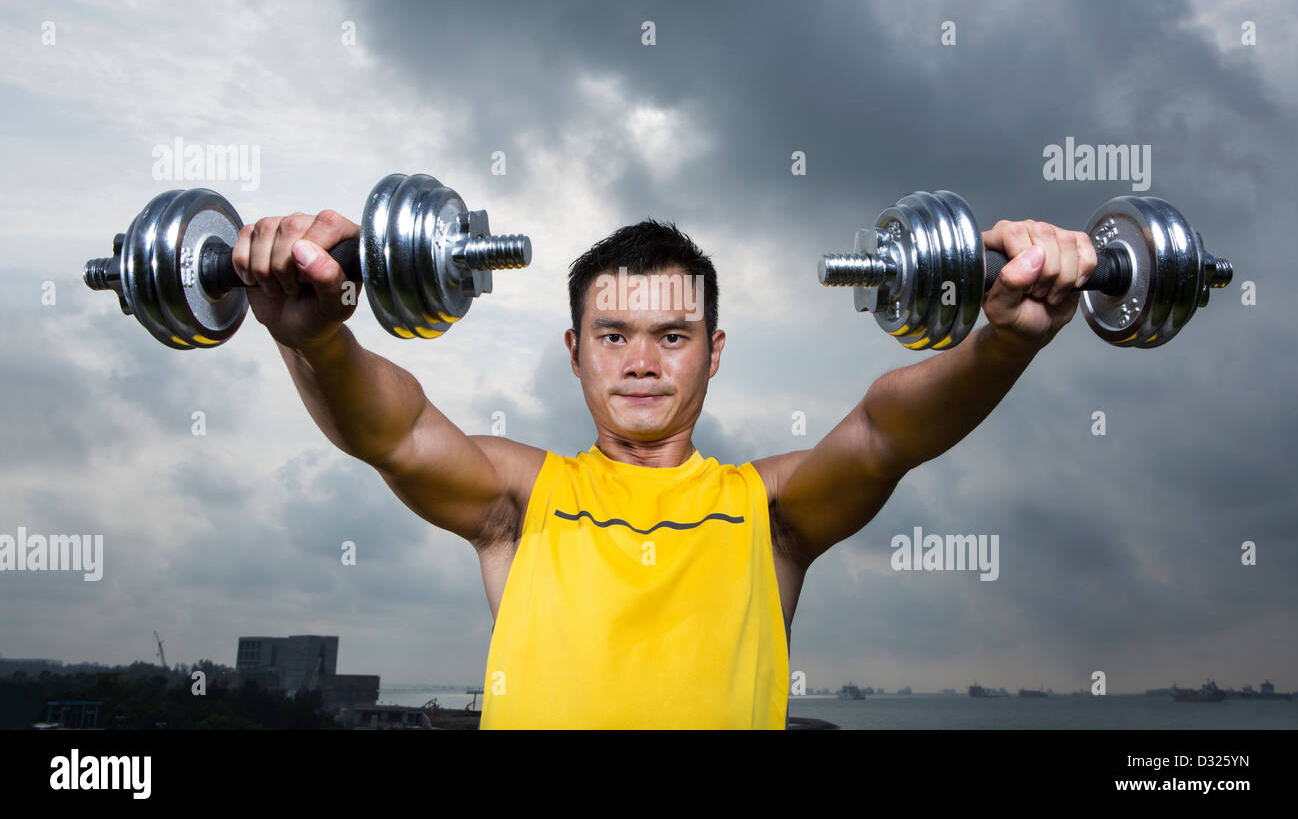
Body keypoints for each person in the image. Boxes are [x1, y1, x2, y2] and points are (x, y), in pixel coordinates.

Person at [231, 208, 1094, 728]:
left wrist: (1002, 345)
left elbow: (883, 434)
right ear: (576, 352)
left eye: (672, 336)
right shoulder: (523, 500)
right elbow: (394, 431)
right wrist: (315, 338)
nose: (641, 362)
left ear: (712, 352)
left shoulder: (771, 511)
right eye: (614, 335)